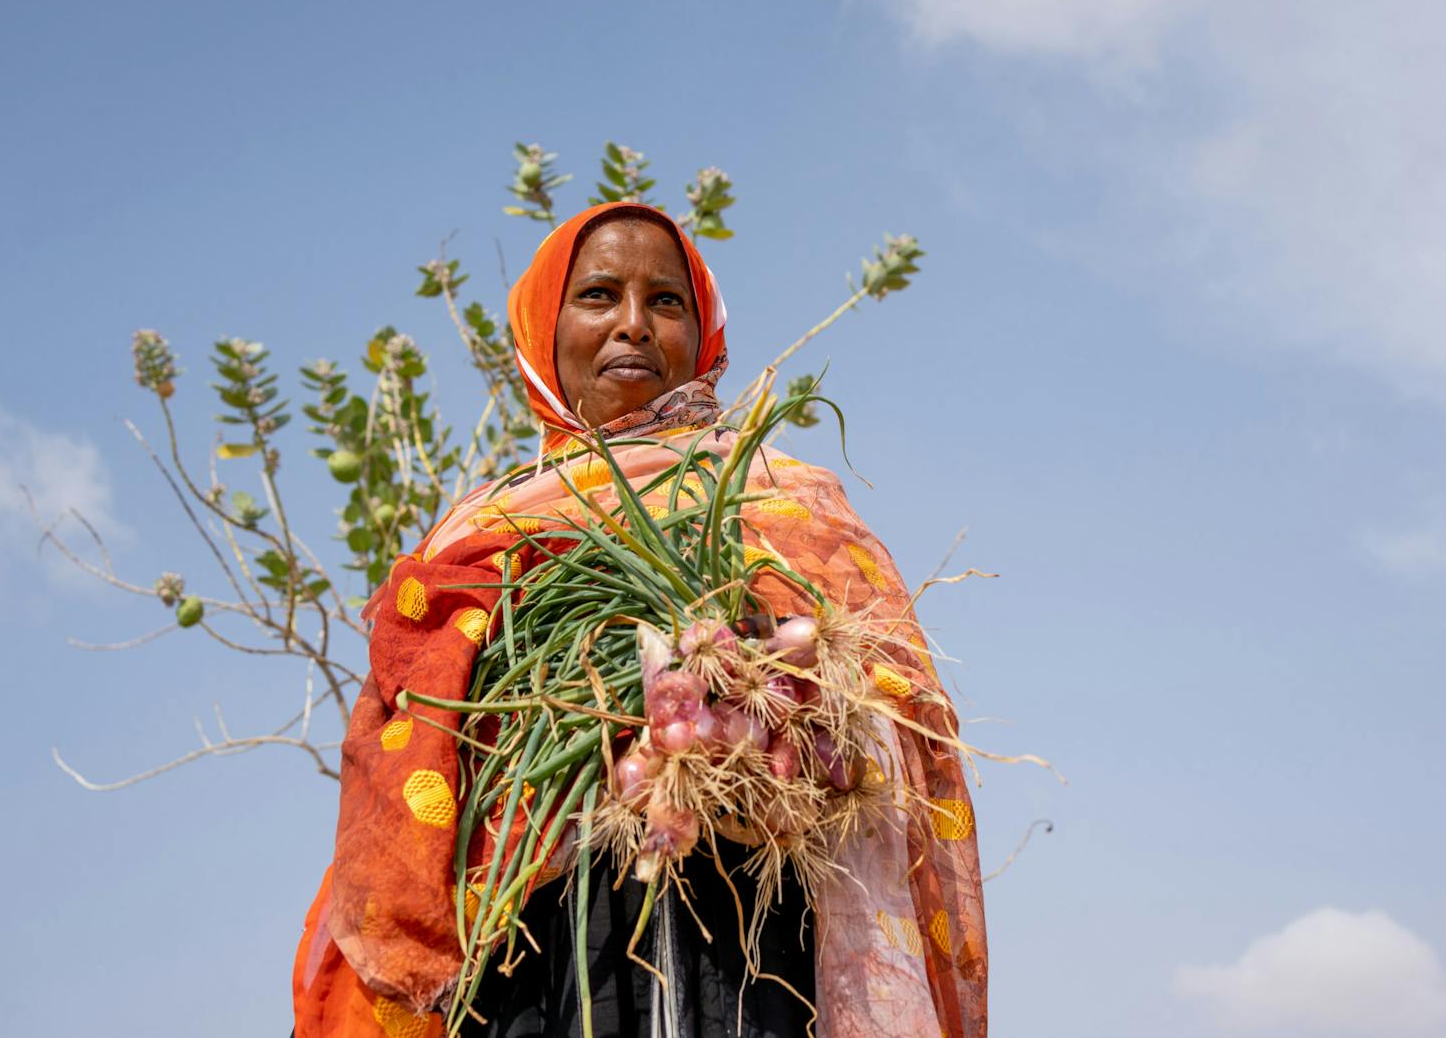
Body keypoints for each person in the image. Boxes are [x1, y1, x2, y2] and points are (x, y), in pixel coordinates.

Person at [291, 202, 988, 1037]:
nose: (633, 324)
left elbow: (892, 714)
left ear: (705, 335)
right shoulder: (482, 531)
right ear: (544, 332)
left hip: (757, 937)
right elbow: (411, 737)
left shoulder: (782, 502)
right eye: (596, 296)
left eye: (665, 301)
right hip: (537, 954)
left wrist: (757, 696)